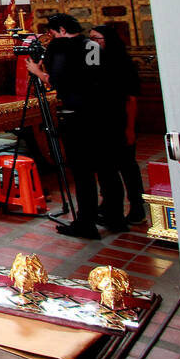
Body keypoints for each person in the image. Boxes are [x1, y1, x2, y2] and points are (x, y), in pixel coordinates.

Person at [24, 13, 123, 239]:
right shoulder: (91, 46)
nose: (51, 36)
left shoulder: (61, 47)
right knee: (107, 167)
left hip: (79, 117)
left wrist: (37, 72)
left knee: (83, 172)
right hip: (103, 113)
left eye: (51, 32)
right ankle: (115, 217)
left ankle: (86, 223)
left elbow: (58, 81)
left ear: (60, 30)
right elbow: (96, 77)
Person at [90, 25, 146, 225]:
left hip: (120, 121)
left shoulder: (123, 62)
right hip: (101, 122)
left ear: (109, 40)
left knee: (127, 166)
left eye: (97, 39)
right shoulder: (94, 58)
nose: (93, 43)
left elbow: (131, 98)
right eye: (91, 39)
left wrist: (129, 128)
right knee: (105, 168)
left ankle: (137, 207)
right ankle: (109, 205)